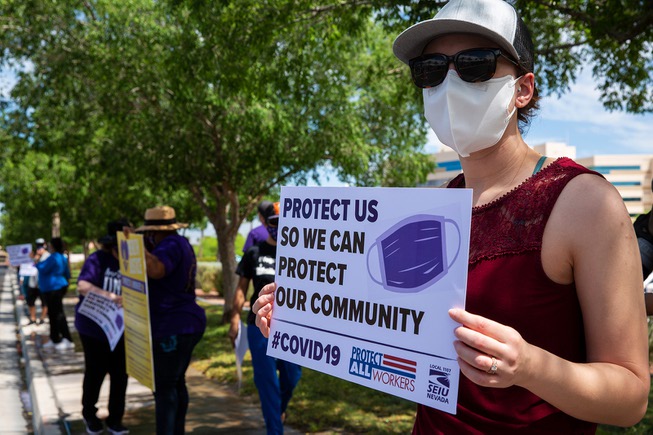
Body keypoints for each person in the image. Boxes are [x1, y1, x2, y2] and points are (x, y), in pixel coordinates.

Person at [253, 0, 649, 432]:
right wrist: (307, 323)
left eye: (475, 64)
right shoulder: (432, 207)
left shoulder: (583, 202)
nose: (449, 83)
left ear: (523, 89)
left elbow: (629, 398)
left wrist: (531, 366)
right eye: (431, 69)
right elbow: (394, 345)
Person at [130, 206, 206, 435]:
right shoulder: (179, 243)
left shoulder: (169, 245)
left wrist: (135, 247)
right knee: (175, 383)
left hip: (173, 326)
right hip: (185, 323)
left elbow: (157, 270)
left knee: (165, 388)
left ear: (152, 231)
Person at [229, 202, 301, 435]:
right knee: (267, 381)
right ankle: (274, 429)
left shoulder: (300, 254)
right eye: (274, 222)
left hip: (292, 328)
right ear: (265, 222)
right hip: (258, 326)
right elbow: (241, 289)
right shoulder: (254, 252)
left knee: (292, 376)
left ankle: (278, 411)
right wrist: (233, 317)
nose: (279, 227)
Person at [76, 219, 132, 435]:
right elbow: (82, 285)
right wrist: (111, 296)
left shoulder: (134, 262)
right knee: (95, 372)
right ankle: (90, 415)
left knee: (120, 374)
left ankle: (115, 419)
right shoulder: (97, 259)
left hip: (121, 330)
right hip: (93, 328)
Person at [34, 237, 73, 351]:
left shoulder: (54, 257)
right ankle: (55, 338)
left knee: (58, 314)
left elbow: (43, 268)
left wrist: (36, 260)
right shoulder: (62, 257)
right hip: (57, 287)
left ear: (53, 246)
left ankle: (67, 339)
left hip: (53, 288)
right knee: (53, 314)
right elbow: (67, 273)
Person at [20, 243, 48, 325]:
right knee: (30, 301)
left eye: (40, 249)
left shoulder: (46, 258)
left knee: (44, 302)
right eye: (38, 249)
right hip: (32, 284)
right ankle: (33, 318)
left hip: (42, 285)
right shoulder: (32, 260)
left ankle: (42, 318)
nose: (39, 250)